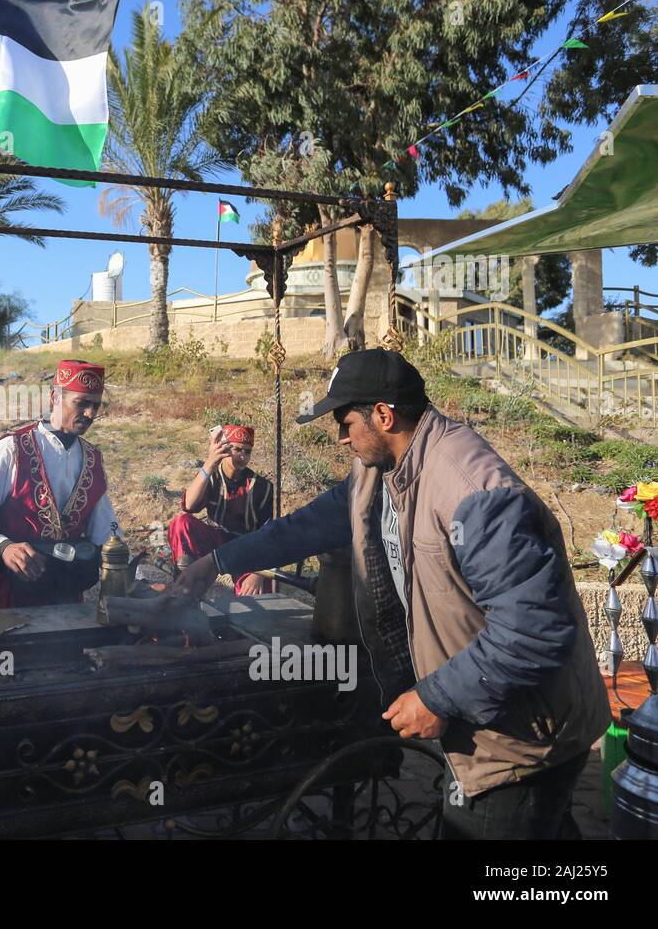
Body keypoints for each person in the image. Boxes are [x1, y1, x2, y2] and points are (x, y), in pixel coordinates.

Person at [174, 348, 610, 839]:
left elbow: (532, 628)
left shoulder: (472, 490)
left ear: (384, 414)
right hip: (493, 721)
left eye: (346, 422)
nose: (341, 438)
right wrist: (217, 561)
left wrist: (436, 697)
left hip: (519, 739)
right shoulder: (381, 472)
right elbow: (305, 526)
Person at [0, 359, 121, 608]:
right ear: (55, 397)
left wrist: (132, 575)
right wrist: (3, 547)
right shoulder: (13, 448)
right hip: (10, 598)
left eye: (96, 406)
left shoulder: (92, 460)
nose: (90, 414)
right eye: (82, 403)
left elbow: (108, 535)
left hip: (66, 600)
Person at [169, 423, 274, 595]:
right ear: (224, 449)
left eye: (247, 451)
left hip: (246, 547)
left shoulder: (262, 487)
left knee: (257, 596)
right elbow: (189, 505)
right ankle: (185, 588)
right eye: (238, 449)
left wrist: (258, 574)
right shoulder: (211, 476)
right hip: (215, 539)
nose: (243, 456)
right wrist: (209, 463)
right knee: (181, 522)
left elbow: (271, 534)